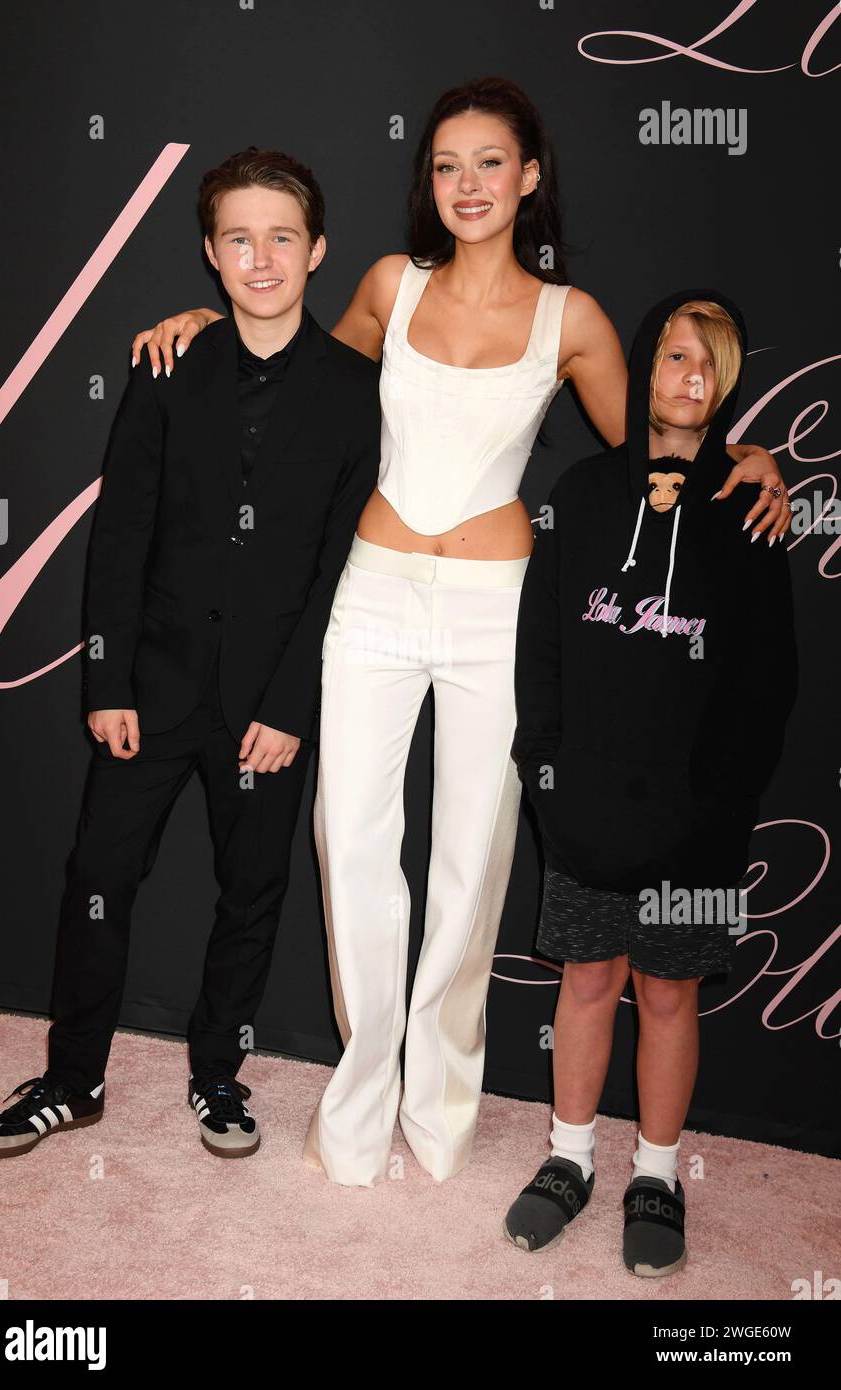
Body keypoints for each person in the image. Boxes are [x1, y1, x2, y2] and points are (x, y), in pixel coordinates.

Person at [129, 77, 791, 1188]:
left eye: (489, 163)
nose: (466, 185)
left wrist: (748, 456)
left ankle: (440, 1105)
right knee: (351, 846)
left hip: (497, 610)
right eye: (445, 165)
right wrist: (208, 326)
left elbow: (656, 443)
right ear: (425, 182)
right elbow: (292, 374)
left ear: (529, 176)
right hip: (373, 594)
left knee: (470, 862)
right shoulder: (390, 284)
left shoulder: (568, 316)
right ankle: (359, 1096)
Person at [0, 148, 381, 1161]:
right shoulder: (164, 366)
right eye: (239, 237)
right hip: (149, 689)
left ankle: (220, 1078)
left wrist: (291, 704)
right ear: (210, 253)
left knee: (251, 893)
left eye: (282, 236)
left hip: (266, 707)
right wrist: (104, 678)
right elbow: (120, 537)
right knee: (97, 875)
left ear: (317, 250)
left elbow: (339, 563)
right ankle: (72, 1078)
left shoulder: (356, 390)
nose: (262, 256)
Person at [505, 290, 797, 1274]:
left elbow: (768, 682)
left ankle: (659, 1173)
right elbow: (539, 645)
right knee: (586, 984)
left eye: (710, 363)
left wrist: (722, 804)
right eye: (674, 356)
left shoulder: (749, 508)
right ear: (645, 367)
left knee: (671, 997)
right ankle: (567, 1158)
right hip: (583, 803)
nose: (690, 378)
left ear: (725, 385)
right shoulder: (583, 493)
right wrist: (544, 772)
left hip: (699, 822)